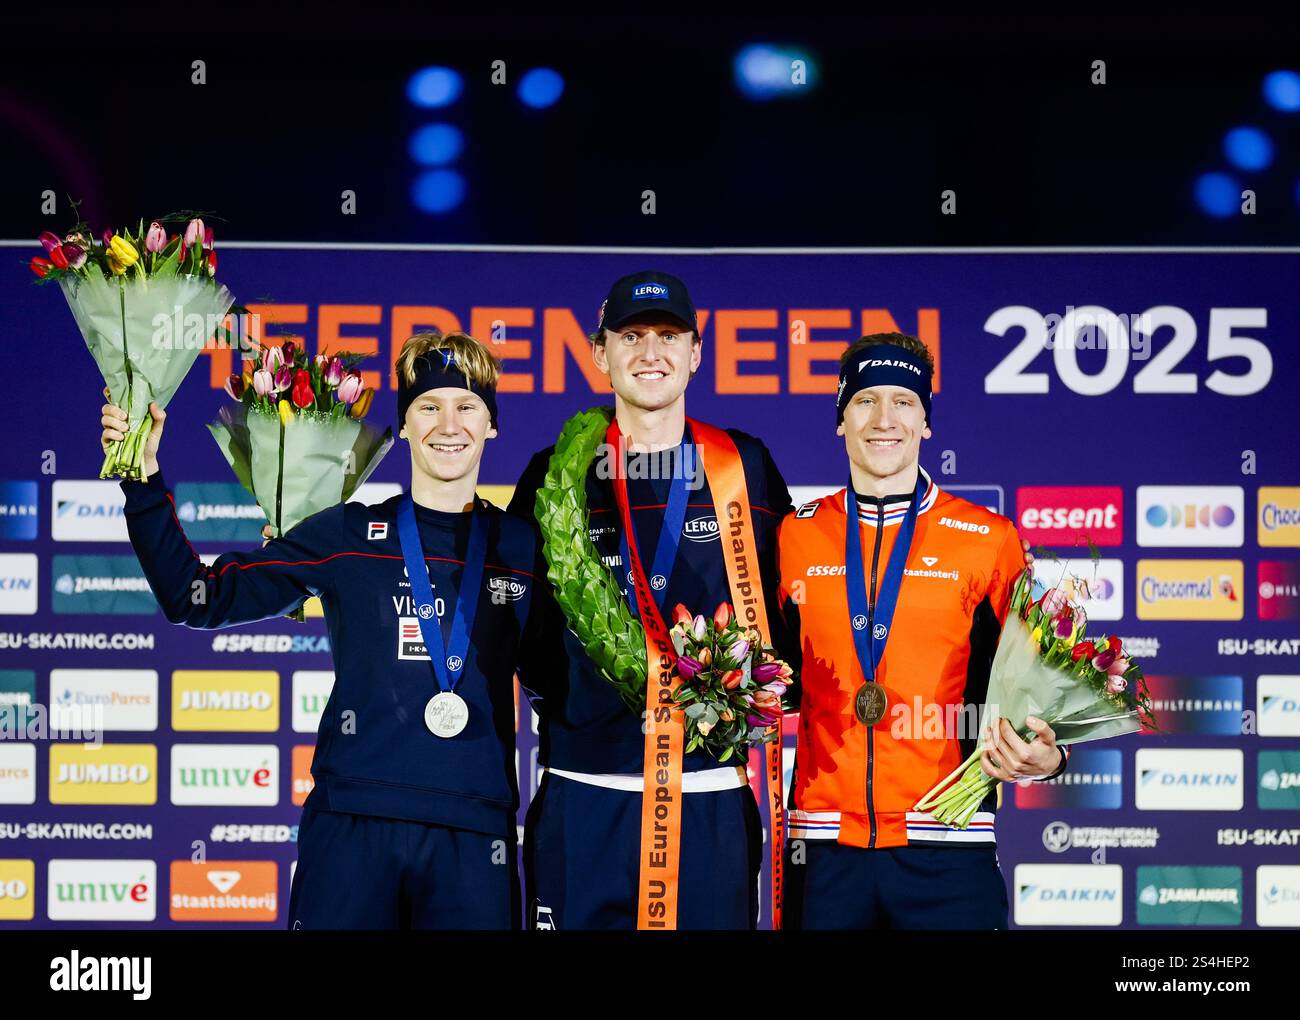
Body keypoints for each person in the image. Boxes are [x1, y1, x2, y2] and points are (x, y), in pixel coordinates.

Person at [104, 331, 552, 929]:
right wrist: (143, 475)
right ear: (405, 426)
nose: (450, 423)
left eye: (468, 406)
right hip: (351, 826)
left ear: (491, 424)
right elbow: (199, 598)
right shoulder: (346, 535)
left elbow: (565, 686)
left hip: (473, 835)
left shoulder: (523, 548)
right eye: (429, 406)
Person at [508, 269, 793, 930]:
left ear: (697, 353)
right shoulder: (556, 472)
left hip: (709, 793)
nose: (649, 352)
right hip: (585, 789)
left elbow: (789, 614)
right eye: (630, 336)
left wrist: (744, 696)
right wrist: (579, 705)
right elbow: (518, 626)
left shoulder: (743, 466)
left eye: (669, 336)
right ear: (599, 353)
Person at [777, 331, 1070, 930]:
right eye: (865, 400)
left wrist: (1051, 757)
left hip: (949, 844)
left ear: (927, 423)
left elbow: (1035, 690)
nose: (884, 419)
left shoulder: (988, 540)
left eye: (904, 402)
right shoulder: (792, 537)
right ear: (840, 418)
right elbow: (771, 677)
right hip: (823, 847)